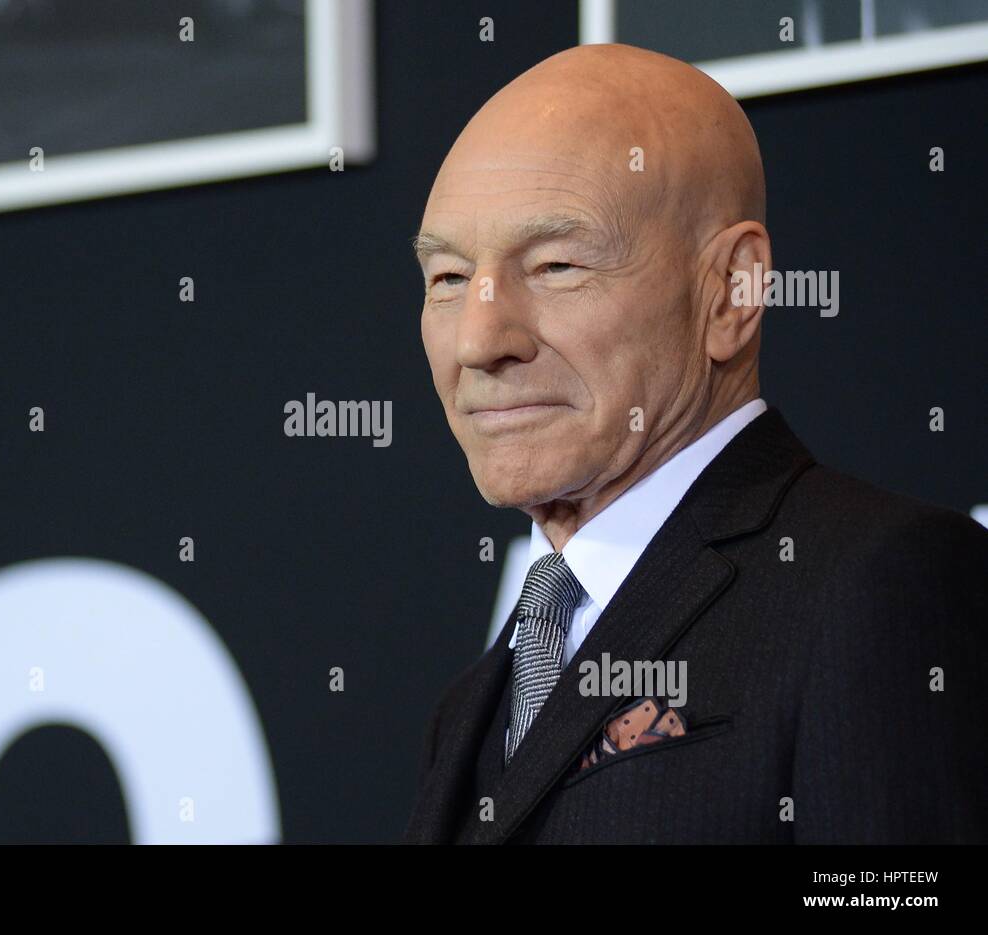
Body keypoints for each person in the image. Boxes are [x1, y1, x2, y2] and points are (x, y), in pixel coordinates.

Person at [404, 43, 988, 844]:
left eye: (556, 264)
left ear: (731, 292)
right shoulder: (475, 698)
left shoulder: (880, 584)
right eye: (447, 279)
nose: (479, 339)